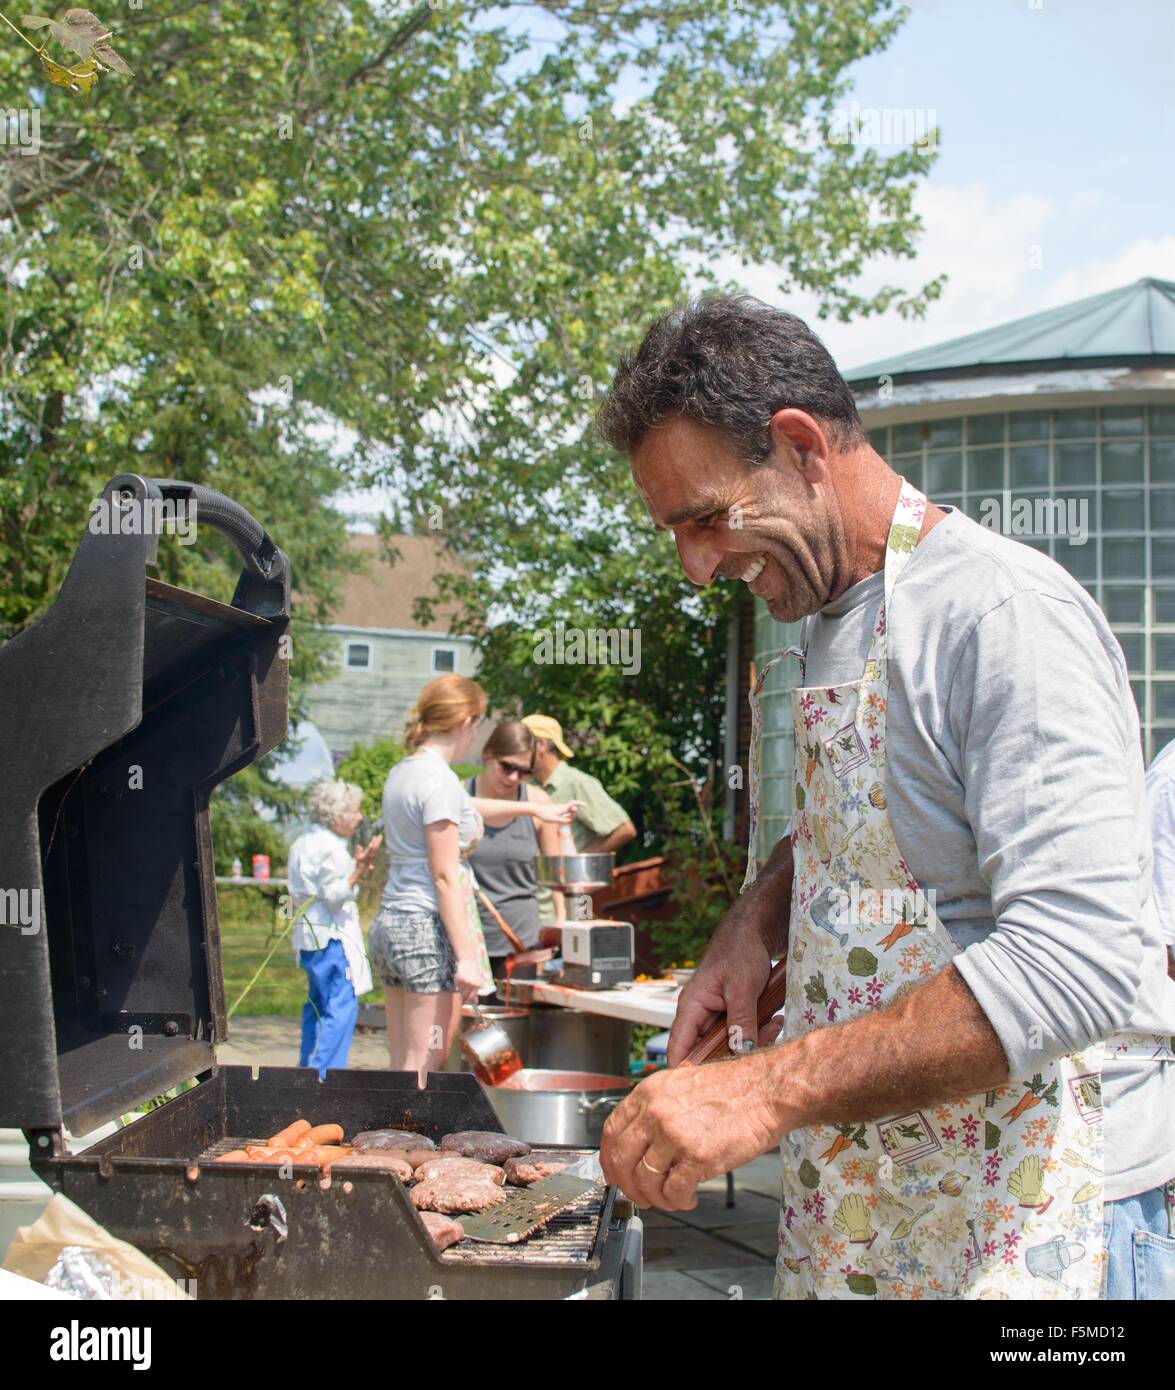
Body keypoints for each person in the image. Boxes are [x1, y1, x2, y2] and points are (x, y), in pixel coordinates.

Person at [595, 294, 1175, 1301]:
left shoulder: (999, 616)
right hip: (874, 1209)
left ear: (799, 445)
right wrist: (756, 920)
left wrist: (765, 1087)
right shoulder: (828, 611)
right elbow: (890, 816)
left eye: (703, 517)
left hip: (1037, 1222)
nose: (694, 567)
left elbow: (1077, 957)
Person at [371, 675, 581, 1078]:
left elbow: (468, 805)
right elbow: (445, 875)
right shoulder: (440, 780)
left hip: (390, 926)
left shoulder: (405, 771)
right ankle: (402, 1141)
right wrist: (468, 958)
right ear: (467, 721)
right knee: (425, 1065)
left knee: (401, 1065)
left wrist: (535, 810)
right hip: (425, 931)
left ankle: (384, 1139)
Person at [288, 780, 382, 1077]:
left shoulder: (302, 841)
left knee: (316, 1004)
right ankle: (325, 1074)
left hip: (309, 936)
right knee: (341, 1008)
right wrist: (357, 873)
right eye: (355, 810)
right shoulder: (331, 848)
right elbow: (333, 895)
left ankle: (308, 1067)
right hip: (331, 938)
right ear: (337, 815)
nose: (360, 817)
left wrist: (355, 871)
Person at [465, 720, 566, 997]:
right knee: (470, 1030)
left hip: (521, 942)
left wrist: (561, 921)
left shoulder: (538, 803)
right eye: (507, 766)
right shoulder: (460, 797)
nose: (513, 778)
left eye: (523, 771)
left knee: (515, 1029)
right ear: (488, 754)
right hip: (469, 937)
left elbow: (553, 870)